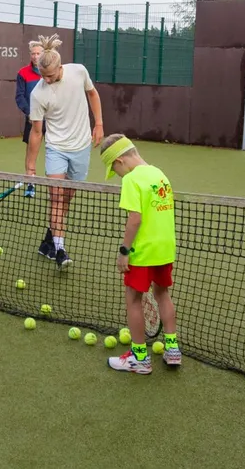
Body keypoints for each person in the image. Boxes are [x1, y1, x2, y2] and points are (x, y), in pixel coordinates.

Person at [99, 134, 181, 374]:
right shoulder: (159, 174)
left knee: (133, 300)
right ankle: (173, 350)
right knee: (163, 294)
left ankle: (140, 358)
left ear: (120, 160)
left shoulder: (132, 179)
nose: (118, 175)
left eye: (114, 169)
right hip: (165, 248)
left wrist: (124, 251)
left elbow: (135, 218)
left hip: (143, 252)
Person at [25, 34, 104, 269]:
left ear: (60, 67)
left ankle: (50, 237)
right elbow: (37, 132)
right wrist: (30, 166)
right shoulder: (38, 94)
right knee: (57, 197)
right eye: (42, 76)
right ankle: (60, 249)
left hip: (81, 146)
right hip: (56, 148)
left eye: (50, 75)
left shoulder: (78, 71)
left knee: (67, 197)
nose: (46, 80)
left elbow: (92, 93)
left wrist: (98, 123)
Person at [15, 40, 44, 198]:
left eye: (38, 53)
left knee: (56, 151)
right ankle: (30, 184)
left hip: (52, 120)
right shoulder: (23, 73)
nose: (35, 56)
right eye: (33, 53)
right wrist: (30, 113)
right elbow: (19, 97)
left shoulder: (51, 71)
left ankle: (58, 186)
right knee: (31, 153)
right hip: (32, 120)